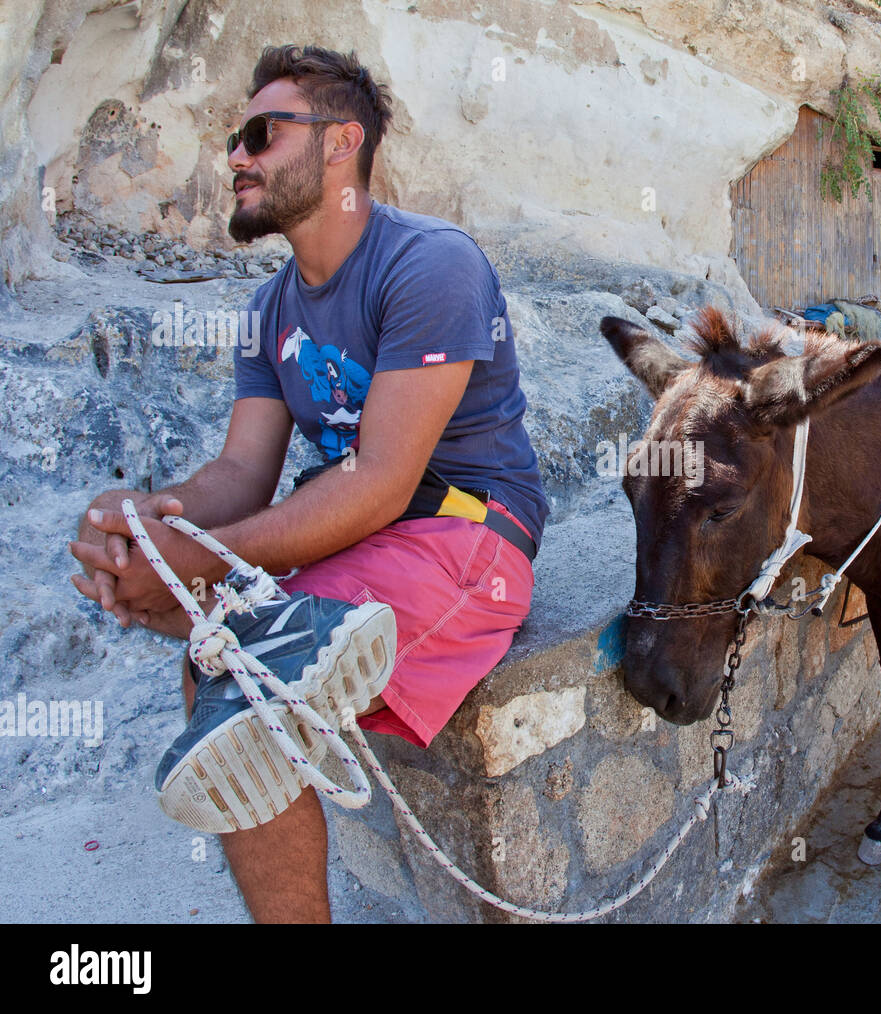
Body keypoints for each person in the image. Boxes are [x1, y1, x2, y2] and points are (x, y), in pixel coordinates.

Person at [68, 45, 548, 923]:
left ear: (340, 144)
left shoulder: (430, 262)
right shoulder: (269, 312)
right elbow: (236, 476)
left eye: (262, 133)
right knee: (206, 647)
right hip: (371, 535)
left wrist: (199, 558)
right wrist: (147, 524)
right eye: (234, 140)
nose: (237, 157)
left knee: (240, 675)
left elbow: (377, 482)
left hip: (469, 536)